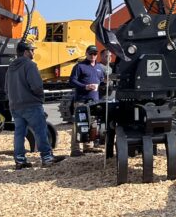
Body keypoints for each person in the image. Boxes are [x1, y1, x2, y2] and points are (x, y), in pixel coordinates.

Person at [7, 40, 65, 170]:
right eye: (32, 50)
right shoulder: (30, 65)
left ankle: (20, 161)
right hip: (31, 104)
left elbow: (7, 88)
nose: (34, 52)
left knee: (19, 133)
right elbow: (37, 86)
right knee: (40, 131)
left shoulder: (11, 67)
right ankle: (47, 158)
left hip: (15, 105)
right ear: (26, 52)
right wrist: (39, 97)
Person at [68, 45, 105, 156]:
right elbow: (72, 81)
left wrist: (105, 84)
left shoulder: (99, 67)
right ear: (86, 53)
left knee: (92, 124)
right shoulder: (79, 66)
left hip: (94, 100)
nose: (93, 56)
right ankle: (75, 149)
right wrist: (85, 87)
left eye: (95, 54)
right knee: (78, 124)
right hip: (81, 100)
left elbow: (102, 81)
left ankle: (88, 146)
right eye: (91, 53)